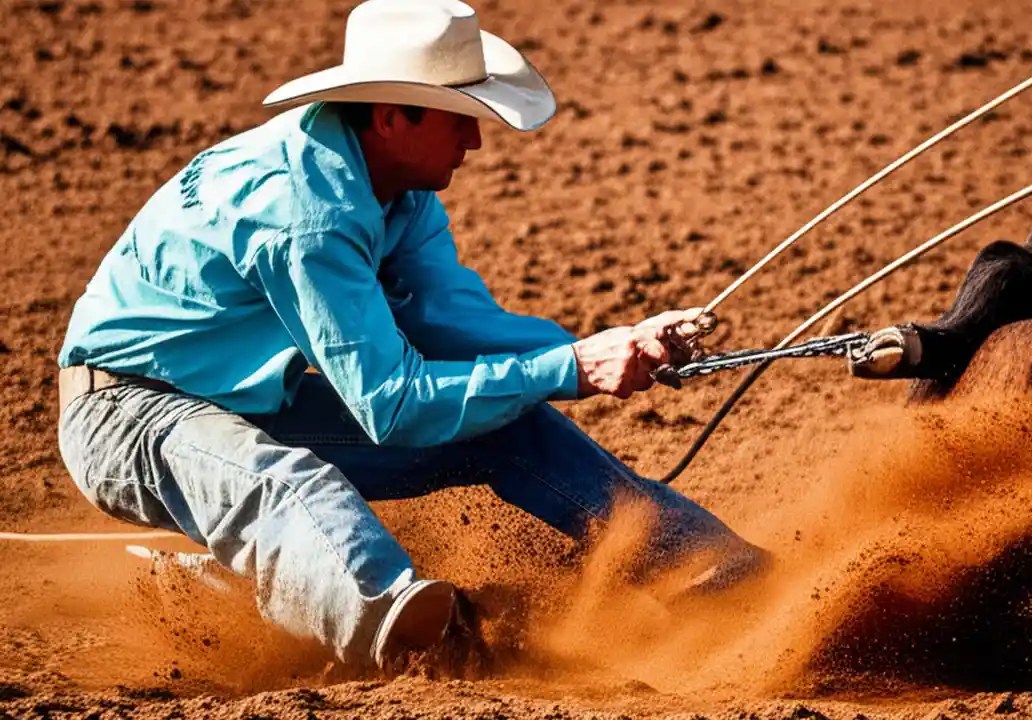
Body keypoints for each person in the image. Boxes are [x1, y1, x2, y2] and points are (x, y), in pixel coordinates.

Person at [55, 0, 765, 674]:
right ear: (393, 117)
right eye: (460, 119)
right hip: (128, 412)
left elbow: (455, 322)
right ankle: (418, 641)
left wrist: (606, 347)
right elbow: (390, 404)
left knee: (506, 424)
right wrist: (571, 367)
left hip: (241, 396)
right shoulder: (307, 217)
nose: (477, 138)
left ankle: (713, 573)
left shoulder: (397, 189)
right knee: (282, 486)